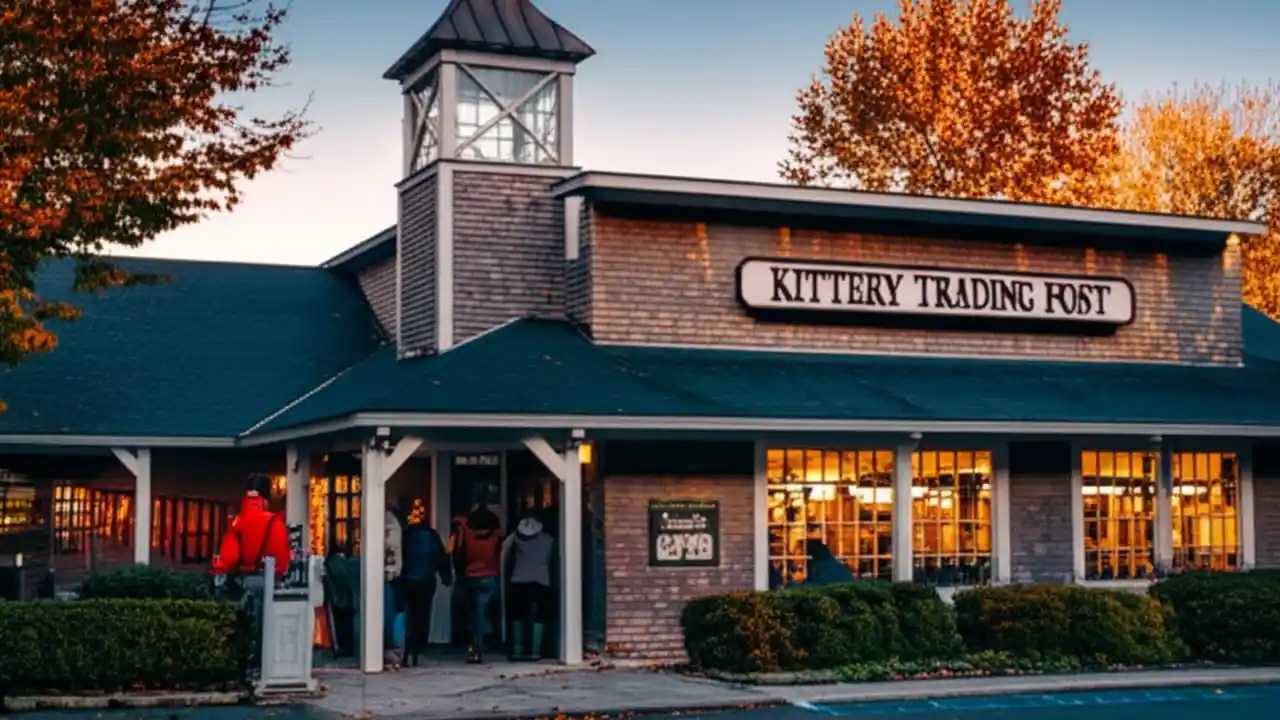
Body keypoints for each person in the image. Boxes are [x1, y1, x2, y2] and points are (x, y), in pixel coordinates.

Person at [210, 473, 292, 668]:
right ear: (267, 496)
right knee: (267, 629)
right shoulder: (274, 522)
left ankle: (243, 664)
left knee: (242, 626)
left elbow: (228, 557)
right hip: (267, 582)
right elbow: (282, 560)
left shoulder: (237, 522)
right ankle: (264, 665)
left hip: (243, 583)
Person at [401, 506, 452, 667]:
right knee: (423, 615)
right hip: (425, 580)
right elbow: (440, 558)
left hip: (406, 580)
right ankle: (417, 649)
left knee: (406, 614)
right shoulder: (431, 536)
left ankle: (405, 647)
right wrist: (446, 577)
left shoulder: (406, 536)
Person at [454, 504, 503, 664]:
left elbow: (459, 554)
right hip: (490, 576)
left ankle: (473, 648)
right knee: (489, 614)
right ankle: (489, 644)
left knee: (474, 615)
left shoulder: (467, 535)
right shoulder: (496, 536)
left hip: (471, 576)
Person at [503, 511, 555, 661]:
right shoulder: (548, 540)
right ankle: (536, 650)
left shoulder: (514, 539)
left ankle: (517, 649)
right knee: (540, 616)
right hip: (541, 581)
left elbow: (506, 558)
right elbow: (551, 559)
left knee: (517, 615)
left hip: (518, 580)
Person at [383, 501, 405, 670]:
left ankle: (392, 651)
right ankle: (396, 652)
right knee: (396, 612)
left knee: (390, 613)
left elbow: (390, 547)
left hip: (387, 575)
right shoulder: (395, 525)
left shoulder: (388, 523)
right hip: (393, 574)